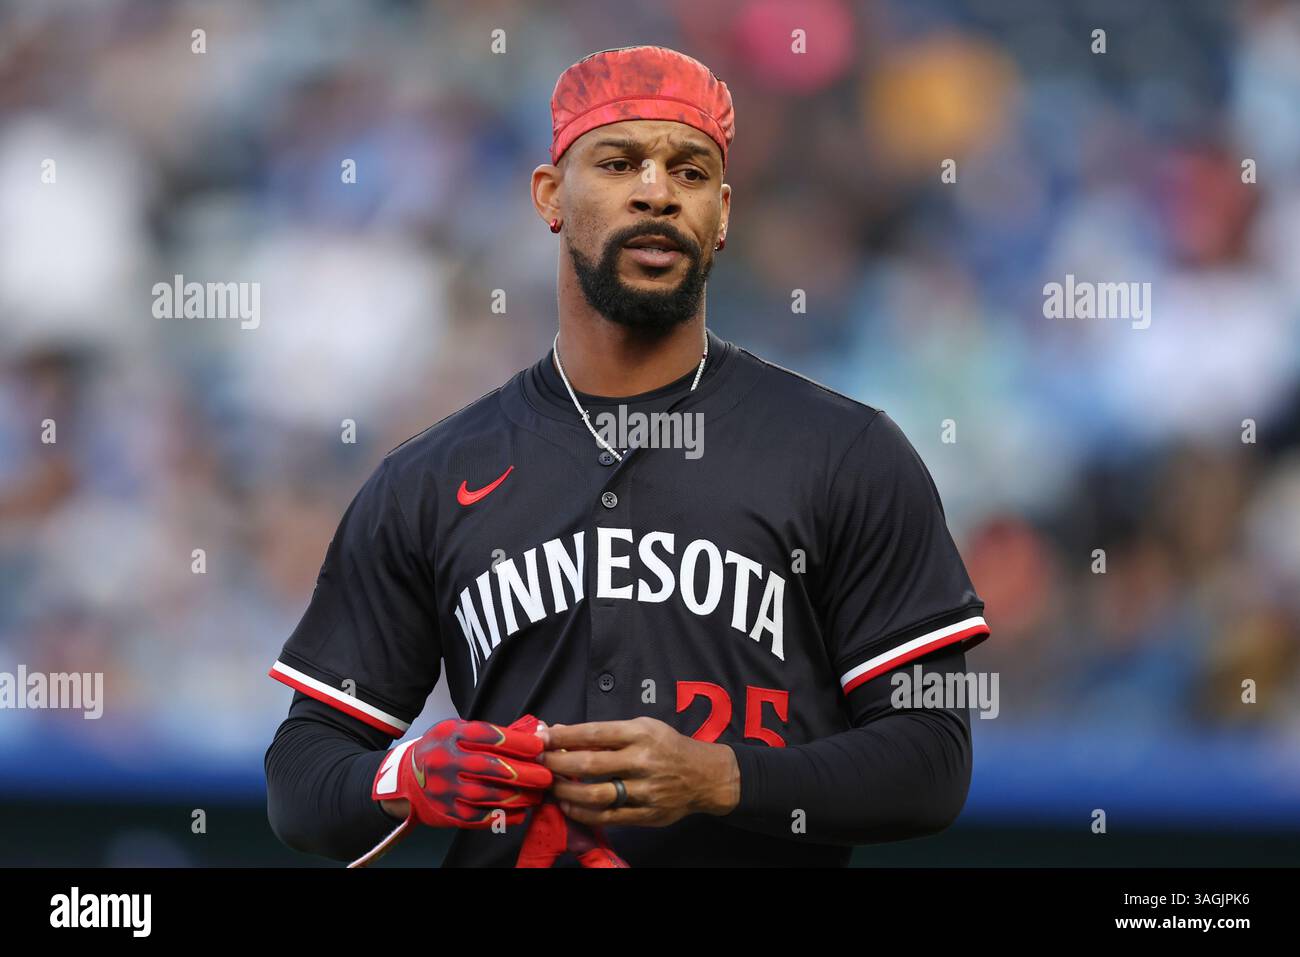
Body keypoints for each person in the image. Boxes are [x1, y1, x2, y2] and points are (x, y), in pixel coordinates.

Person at [264, 44, 990, 867]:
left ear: (722, 214)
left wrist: (720, 776)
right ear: (549, 196)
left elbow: (933, 760)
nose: (655, 191)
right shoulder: (428, 477)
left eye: (688, 172)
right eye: (618, 162)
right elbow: (301, 772)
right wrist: (404, 774)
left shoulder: (845, 452)